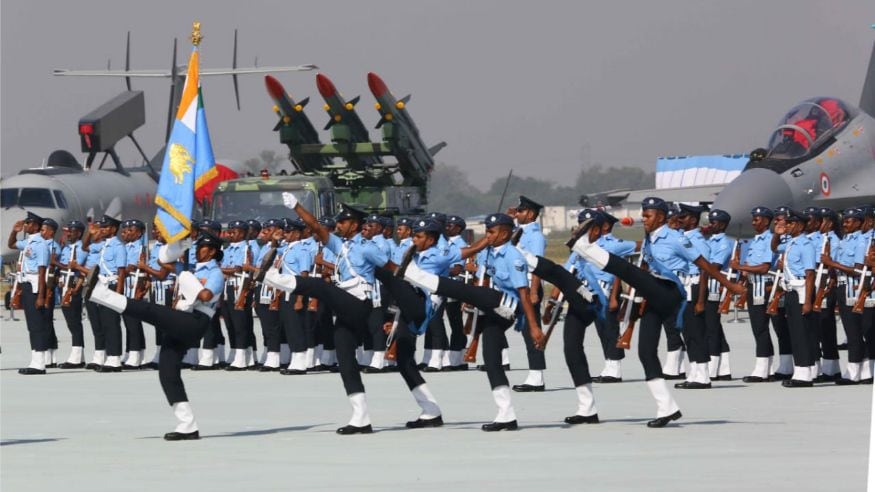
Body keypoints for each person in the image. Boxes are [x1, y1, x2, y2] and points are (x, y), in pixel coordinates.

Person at [569, 197, 745, 427]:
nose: (644, 219)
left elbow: (703, 264)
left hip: (671, 292)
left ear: (661, 217)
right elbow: (637, 262)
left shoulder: (675, 238)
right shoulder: (649, 238)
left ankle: (585, 247)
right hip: (653, 296)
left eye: (648, 215)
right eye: (643, 214)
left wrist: (729, 285)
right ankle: (667, 407)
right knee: (645, 352)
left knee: (629, 271)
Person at [399, 213, 545, 431]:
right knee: (491, 358)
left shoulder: (513, 256)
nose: (488, 235)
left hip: (507, 306)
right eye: (486, 231)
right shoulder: (492, 253)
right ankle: (506, 415)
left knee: (466, 291)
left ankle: (427, 280)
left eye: (492, 232)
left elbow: (523, 294)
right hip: (492, 309)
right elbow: (473, 258)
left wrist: (534, 327)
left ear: (505, 233)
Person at [264, 200, 392, 434]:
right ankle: (361, 418)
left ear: (355, 224)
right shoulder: (340, 246)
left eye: (343, 221)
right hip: (345, 307)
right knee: (345, 361)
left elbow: (392, 270)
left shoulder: (368, 247)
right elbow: (315, 226)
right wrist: (296, 206)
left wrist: (397, 306)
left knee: (320, 287)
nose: (339, 225)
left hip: (360, 303)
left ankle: (279, 280)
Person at [87, 232, 224, 440]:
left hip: (195, 322)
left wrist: (187, 278)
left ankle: (101, 294)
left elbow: (205, 296)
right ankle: (187, 426)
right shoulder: (193, 269)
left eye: (201, 247)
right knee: (167, 372)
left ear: (213, 251)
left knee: (149, 311)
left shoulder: (215, 273)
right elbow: (162, 262)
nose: (197, 251)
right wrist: (182, 243)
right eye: (196, 247)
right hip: (182, 320)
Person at [770, 210, 817, 387]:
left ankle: (804, 375)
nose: (787, 226)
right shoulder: (791, 243)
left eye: (790, 223)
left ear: (799, 225)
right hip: (790, 291)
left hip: (801, 291)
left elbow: (810, 274)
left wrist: (807, 302)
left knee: (802, 333)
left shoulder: (806, 244)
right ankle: (800, 371)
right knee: (794, 332)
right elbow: (774, 248)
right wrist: (777, 233)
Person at [821, 208, 868, 384]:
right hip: (840, 286)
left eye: (849, 221)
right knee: (850, 329)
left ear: (858, 222)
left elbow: (857, 270)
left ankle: (854, 372)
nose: (845, 223)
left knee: (854, 331)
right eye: (844, 220)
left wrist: (831, 263)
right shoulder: (845, 240)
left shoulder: (861, 242)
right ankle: (863, 371)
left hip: (852, 289)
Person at [509, 196, 549, 392]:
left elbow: (537, 266)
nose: (517, 214)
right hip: (516, 287)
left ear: (531, 214)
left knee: (531, 331)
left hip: (528, 287)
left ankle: (536, 376)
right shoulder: (518, 233)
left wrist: (534, 291)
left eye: (520, 211)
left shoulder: (535, 236)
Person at [674, 204, 712, 389]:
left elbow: (705, 270)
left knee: (697, 333)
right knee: (688, 333)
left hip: (695, 287)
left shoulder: (698, 240)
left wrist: (700, 300)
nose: (680, 219)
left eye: (684, 216)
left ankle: (703, 375)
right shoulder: (683, 238)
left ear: (694, 220)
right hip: (684, 288)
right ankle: (694, 373)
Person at [7, 212, 50, 374]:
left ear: (37, 226)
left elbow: (42, 271)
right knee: (32, 325)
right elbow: (11, 244)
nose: (26, 225)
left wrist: (41, 295)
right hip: (25, 284)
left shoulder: (40, 244)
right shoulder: (29, 242)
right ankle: (35, 360)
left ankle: (39, 364)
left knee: (37, 325)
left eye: (29, 223)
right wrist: (14, 231)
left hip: (35, 286)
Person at [702, 209, 734, 381]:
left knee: (711, 327)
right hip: (707, 285)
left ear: (722, 225)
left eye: (714, 222)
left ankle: (713, 367)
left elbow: (714, 267)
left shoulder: (724, 243)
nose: (710, 225)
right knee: (713, 327)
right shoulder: (710, 241)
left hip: (715, 287)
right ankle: (724, 369)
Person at [57, 220, 88, 369]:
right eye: (67, 231)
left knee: (74, 322)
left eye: (71, 231)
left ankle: (76, 357)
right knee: (71, 322)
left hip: (73, 286)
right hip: (64, 285)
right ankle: (78, 355)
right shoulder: (67, 247)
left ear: (79, 233)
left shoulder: (81, 248)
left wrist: (54, 263)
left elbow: (73, 266)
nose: (68, 233)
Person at [443, 215, 471, 371]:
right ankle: (459, 358)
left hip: (455, 287)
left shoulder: (460, 244)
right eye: (447, 224)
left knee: (456, 324)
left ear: (459, 228)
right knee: (455, 323)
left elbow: (457, 269)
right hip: (446, 286)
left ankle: (456, 359)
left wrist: (438, 270)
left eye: (451, 225)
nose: (447, 227)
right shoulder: (447, 243)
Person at [121, 220, 148, 369]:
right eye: (126, 230)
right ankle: (135, 354)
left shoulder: (139, 248)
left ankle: (135, 355)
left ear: (139, 233)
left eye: (131, 230)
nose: (127, 233)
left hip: (133, 286)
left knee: (132, 323)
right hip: (125, 286)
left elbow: (129, 268)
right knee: (129, 323)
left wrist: (114, 272)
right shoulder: (126, 247)